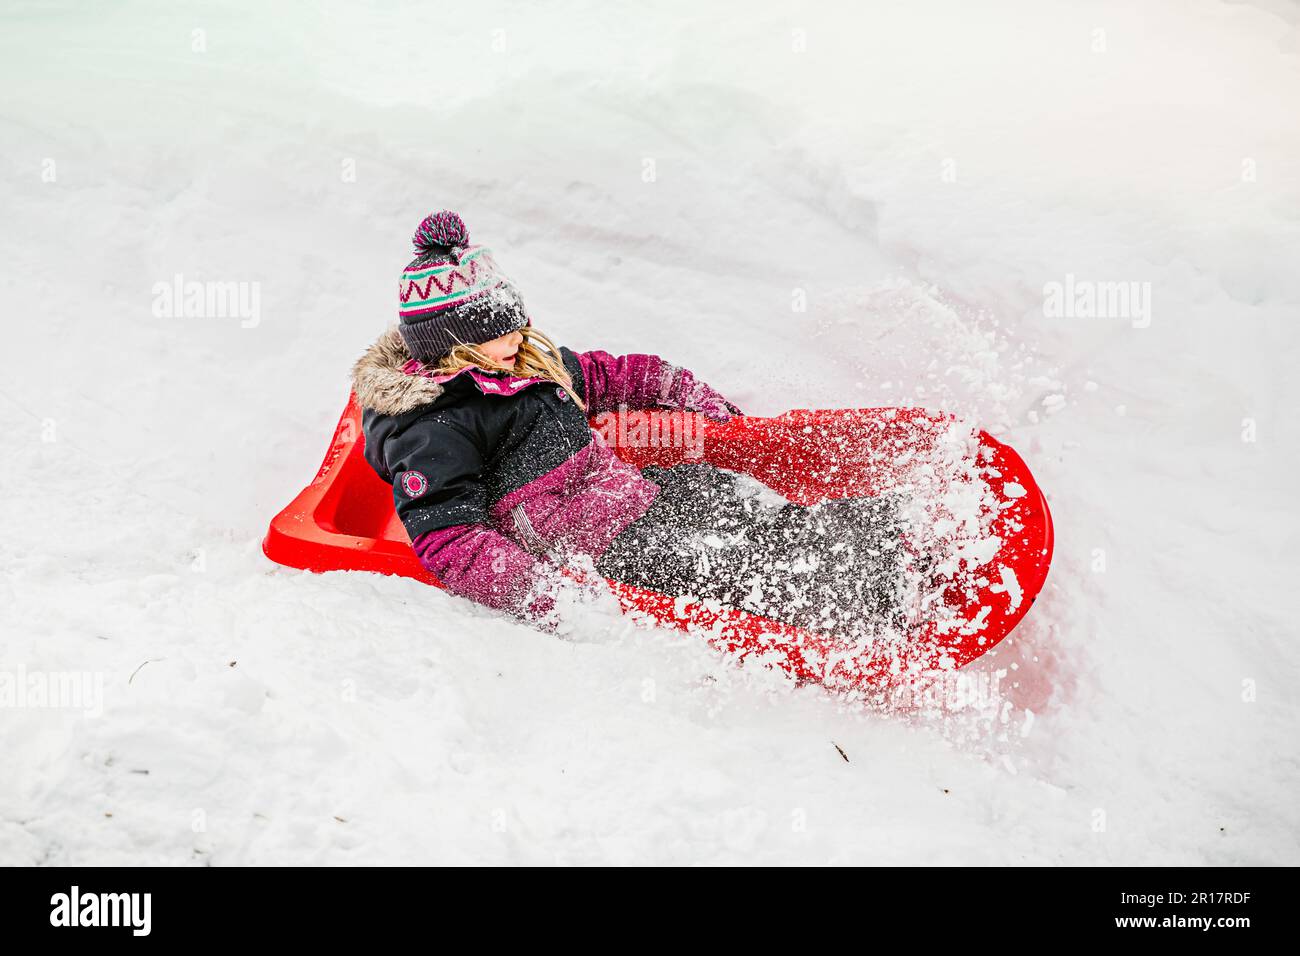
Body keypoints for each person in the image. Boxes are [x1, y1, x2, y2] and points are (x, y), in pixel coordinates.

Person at [352, 210, 914, 637]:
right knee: (728, 562)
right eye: (499, 331)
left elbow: (614, 377)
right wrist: (546, 594)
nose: (518, 339)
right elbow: (451, 540)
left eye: (517, 323)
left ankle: (889, 534)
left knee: (740, 503)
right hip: (594, 545)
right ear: (451, 346)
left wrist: (686, 393)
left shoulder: (523, 364)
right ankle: (878, 600)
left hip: (627, 490)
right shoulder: (433, 428)